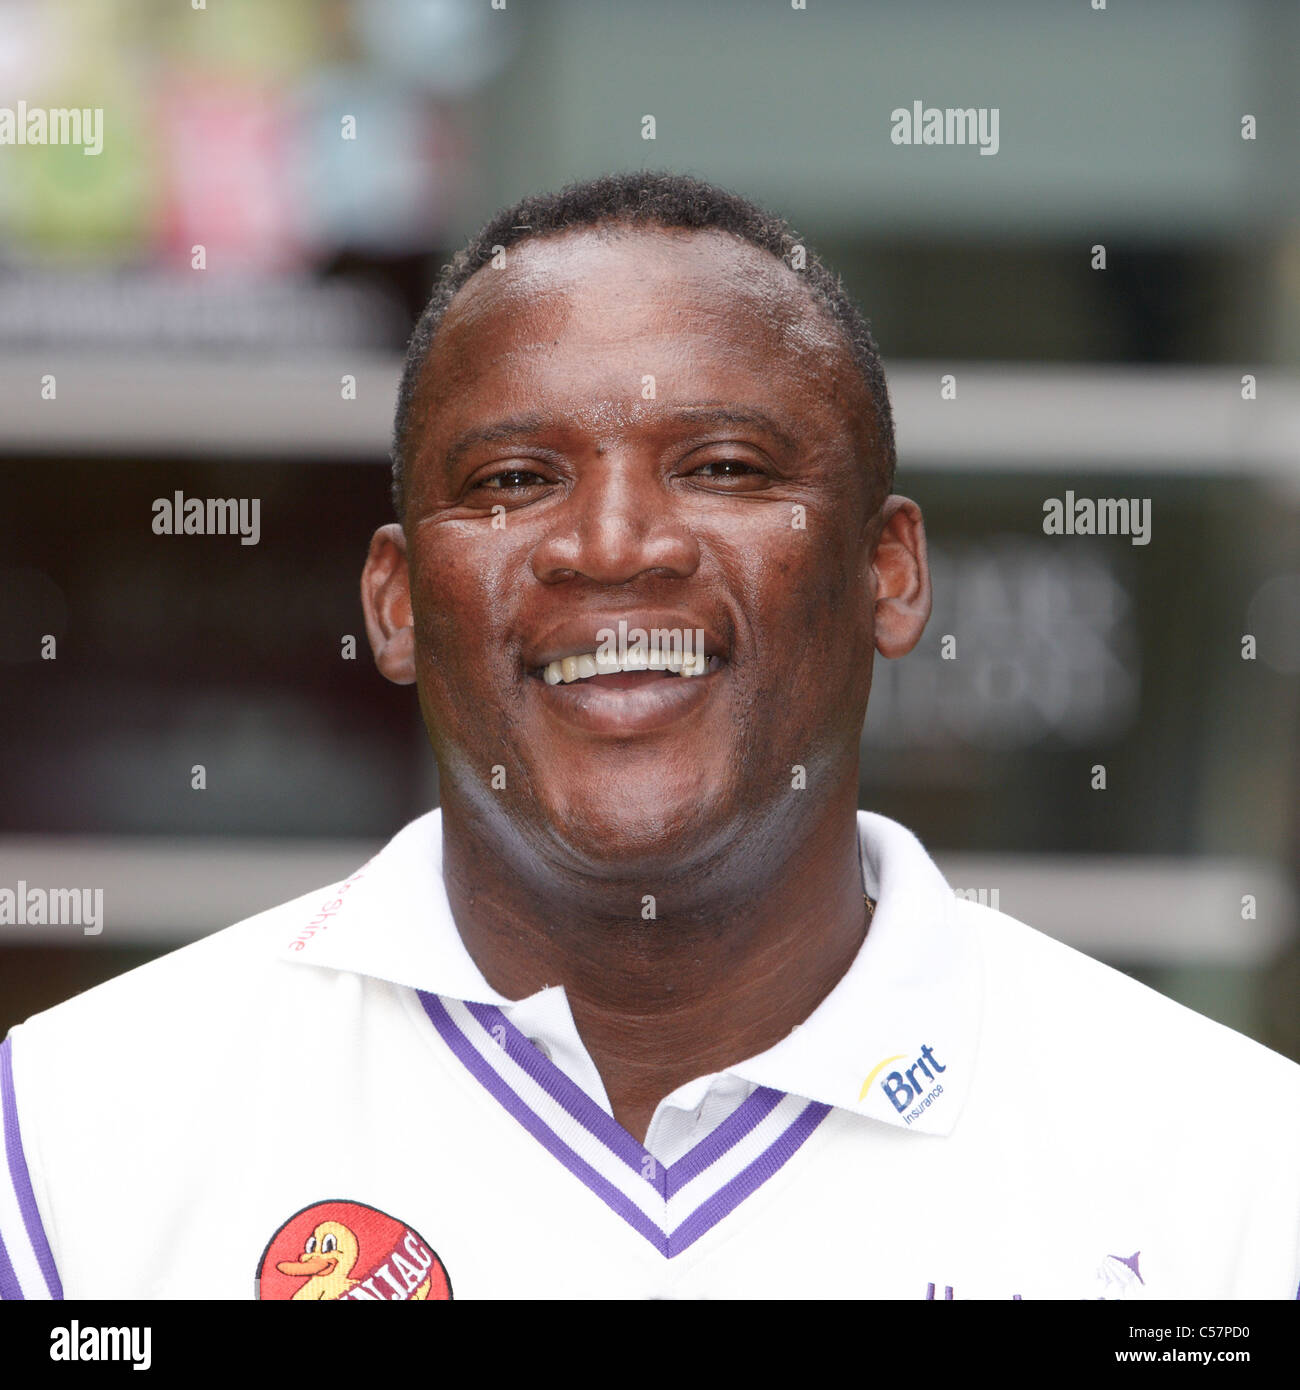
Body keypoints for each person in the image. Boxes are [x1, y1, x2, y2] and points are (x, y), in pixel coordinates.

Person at [2, 172, 1297, 1301]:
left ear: (889, 573)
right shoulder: (73, 1143)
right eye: (514, 480)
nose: (615, 545)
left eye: (724, 466)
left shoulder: (1231, 1173)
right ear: (395, 604)